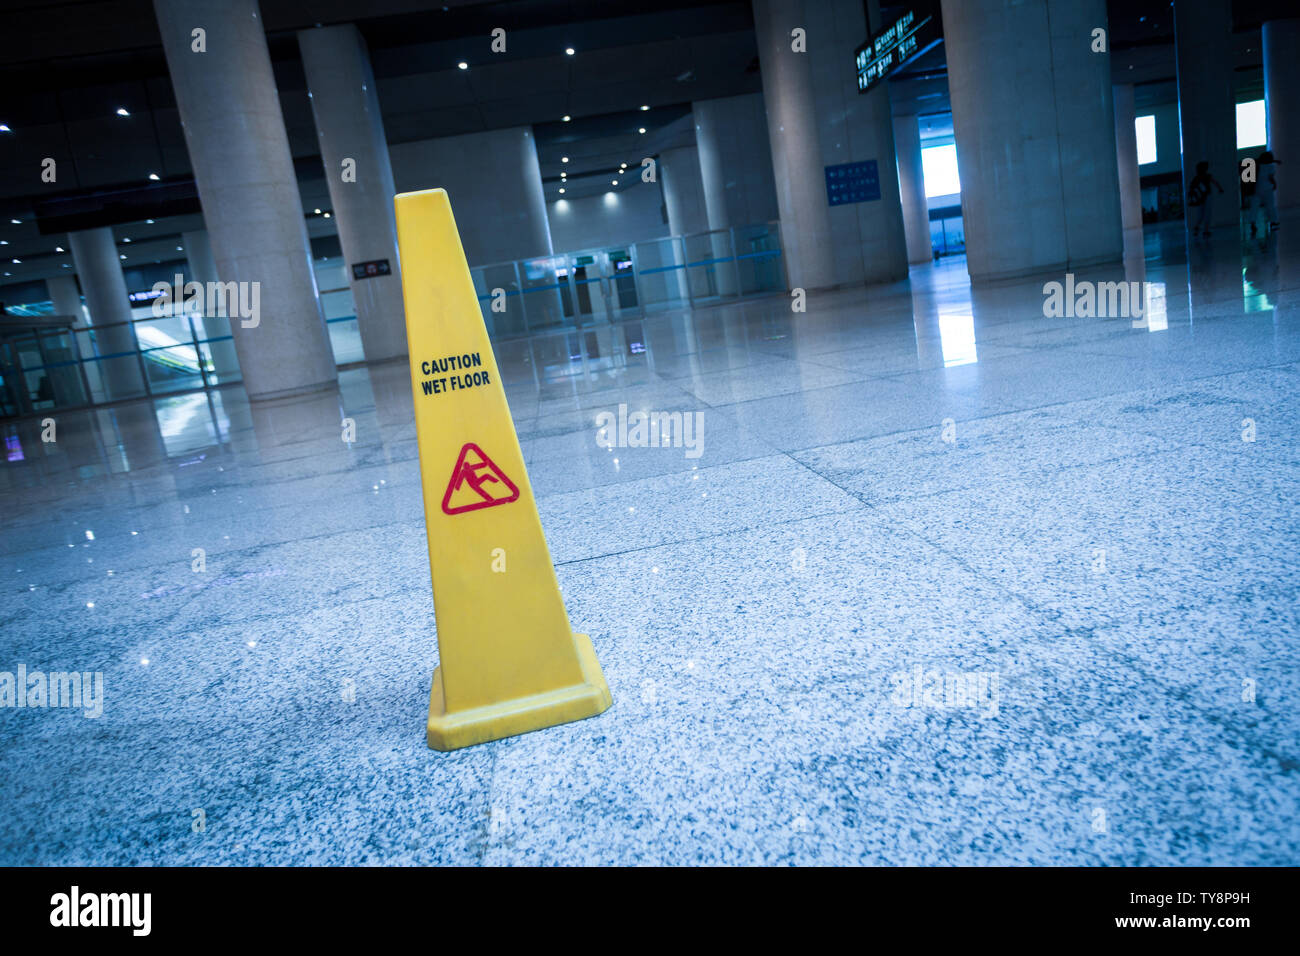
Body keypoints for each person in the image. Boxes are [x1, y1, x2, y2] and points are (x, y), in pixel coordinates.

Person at [1186, 160, 1224, 238]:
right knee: (1207, 213)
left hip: (1199, 198)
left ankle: (1196, 228)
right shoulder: (1207, 176)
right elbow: (1215, 182)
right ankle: (1206, 230)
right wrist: (1220, 189)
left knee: (1200, 214)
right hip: (1208, 196)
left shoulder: (1196, 178)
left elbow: (1191, 189)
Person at [1256, 150, 1280, 232]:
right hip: (1268, 188)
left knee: (1261, 207)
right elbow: (1270, 177)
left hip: (1259, 188)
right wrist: (1275, 184)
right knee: (1271, 206)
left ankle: (1267, 221)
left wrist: (1276, 161)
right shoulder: (1270, 166)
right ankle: (1274, 221)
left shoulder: (1260, 165)